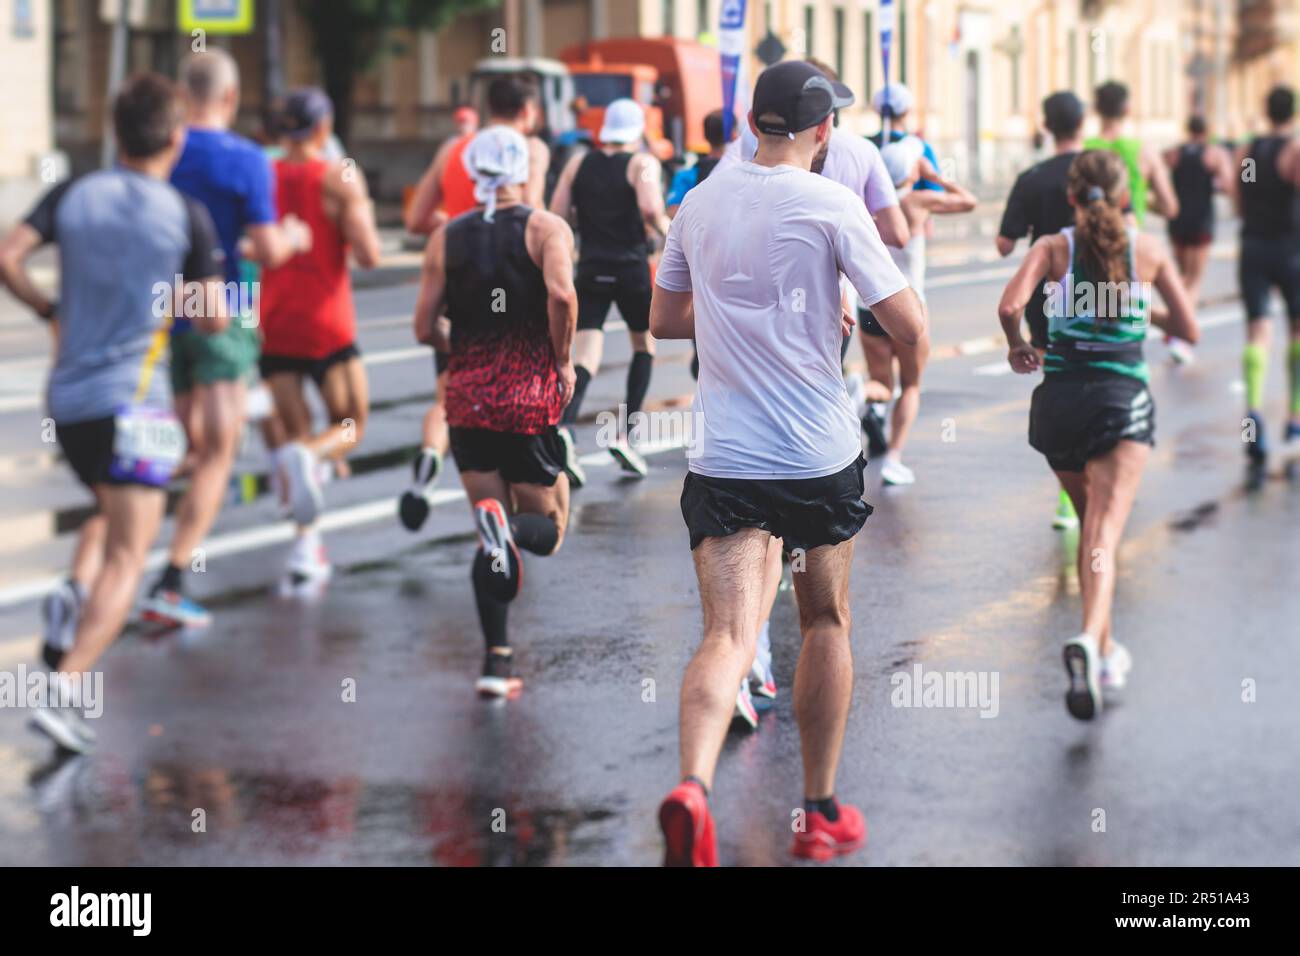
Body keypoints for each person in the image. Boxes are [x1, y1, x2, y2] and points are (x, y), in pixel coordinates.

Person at [650, 60, 924, 865]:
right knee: (823, 621)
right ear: (823, 130)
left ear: (753, 122)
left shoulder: (699, 201)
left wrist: (737, 302)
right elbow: (904, 325)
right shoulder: (833, 203)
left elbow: (665, 320)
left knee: (728, 634)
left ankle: (692, 790)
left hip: (726, 455)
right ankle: (819, 812)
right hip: (813, 455)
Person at [0, 73, 227, 751]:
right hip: (137, 405)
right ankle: (65, 688)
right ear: (177, 137)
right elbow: (214, 318)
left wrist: (48, 310)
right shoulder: (185, 215)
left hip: (68, 405)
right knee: (131, 555)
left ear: (114, 127)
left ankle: (73, 598)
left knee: (110, 510)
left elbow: (7, 254)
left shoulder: (74, 193)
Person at [996, 150, 1198, 721]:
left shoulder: (1052, 248)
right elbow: (1189, 328)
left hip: (1058, 403)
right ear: (1125, 194)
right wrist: (1144, 309)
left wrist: (1019, 344)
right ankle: (1089, 638)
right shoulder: (1149, 251)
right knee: (1104, 534)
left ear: (1070, 196)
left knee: (1093, 532)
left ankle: (1105, 653)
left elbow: (1011, 304)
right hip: (1120, 405)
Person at [140, 50, 307, 628]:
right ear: (231, 98)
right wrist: (292, 234)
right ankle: (170, 578)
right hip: (223, 309)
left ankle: (121, 552)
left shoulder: (164, 149)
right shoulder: (246, 159)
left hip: (167, 312)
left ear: (185, 97)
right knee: (217, 454)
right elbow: (266, 246)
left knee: (186, 450)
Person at [412, 125, 578, 698]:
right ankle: (507, 530)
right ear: (521, 173)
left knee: (489, 536)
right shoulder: (545, 228)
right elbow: (561, 295)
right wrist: (562, 360)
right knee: (551, 529)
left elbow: (422, 325)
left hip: (467, 400)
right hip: (526, 401)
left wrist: (462, 342)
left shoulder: (446, 237)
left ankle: (496, 663)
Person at [401, 78, 550, 529]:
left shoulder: (454, 152)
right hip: (512, 282)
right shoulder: (531, 151)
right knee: (514, 395)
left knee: (451, 391)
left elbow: (415, 220)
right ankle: (515, 508)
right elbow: (533, 209)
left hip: (458, 281)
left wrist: (457, 222)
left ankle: (431, 455)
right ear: (527, 111)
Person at [257, 88, 382, 589]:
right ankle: (313, 460)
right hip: (327, 324)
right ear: (324, 129)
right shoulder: (339, 177)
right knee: (350, 428)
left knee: (294, 437)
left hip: (274, 322)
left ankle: (306, 548)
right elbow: (370, 254)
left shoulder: (260, 176)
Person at [549, 98, 671, 480]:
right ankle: (625, 434)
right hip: (631, 267)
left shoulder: (576, 164)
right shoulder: (642, 164)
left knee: (585, 351)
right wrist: (673, 236)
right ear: (636, 131)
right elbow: (651, 209)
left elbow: (557, 215)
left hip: (592, 268)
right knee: (643, 345)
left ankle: (565, 429)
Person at [858, 136, 975, 486]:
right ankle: (894, 458)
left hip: (871, 306)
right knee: (910, 386)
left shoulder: (866, 202)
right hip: (909, 307)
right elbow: (969, 201)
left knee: (881, 382)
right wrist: (936, 176)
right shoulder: (917, 201)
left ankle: (863, 399)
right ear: (911, 168)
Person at [997, 91, 1087, 530]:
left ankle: (1069, 498)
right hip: (1096, 291)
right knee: (1098, 376)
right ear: (1082, 123)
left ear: (1047, 127)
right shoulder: (1098, 172)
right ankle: (1100, 479)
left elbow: (1003, 243)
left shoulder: (1032, 176)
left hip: (1046, 296)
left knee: (1061, 386)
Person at [1226, 86, 1300, 471]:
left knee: (1257, 332)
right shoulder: (1294, 152)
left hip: (1253, 248)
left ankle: (1253, 413)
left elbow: (1239, 198)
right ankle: (1294, 416)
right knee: (1297, 332)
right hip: (1291, 251)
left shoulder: (1247, 152)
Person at [1163, 116, 1231, 308]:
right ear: (1207, 130)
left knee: (1183, 274)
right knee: (1194, 279)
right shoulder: (1214, 154)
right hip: (1201, 219)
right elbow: (1228, 186)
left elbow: (1155, 178)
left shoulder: (1173, 154)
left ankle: (1176, 315)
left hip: (1177, 220)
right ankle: (1182, 324)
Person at [868, 84, 942, 192]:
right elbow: (935, 191)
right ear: (907, 110)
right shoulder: (921, 148)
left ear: (877, 110)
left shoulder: (865, 145)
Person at [666, 109, 733, 217]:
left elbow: (673, 211)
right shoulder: (740, 173)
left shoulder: (686, 175)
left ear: (705, 136)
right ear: (734, 135)